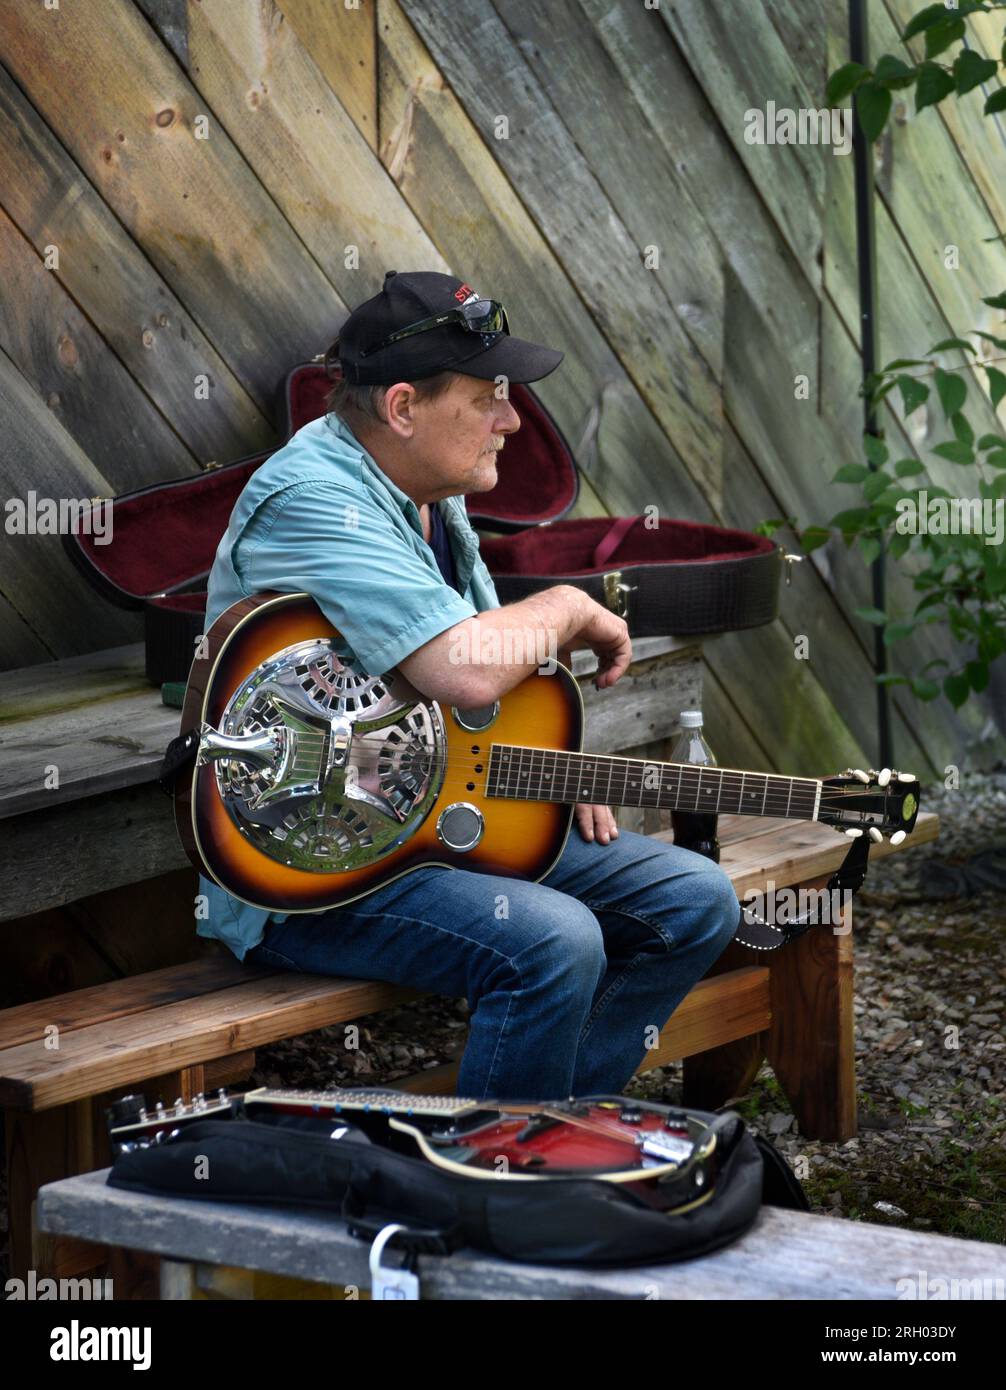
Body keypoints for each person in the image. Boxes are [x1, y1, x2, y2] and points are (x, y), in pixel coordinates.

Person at [197, 270, 740, 1101]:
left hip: (439, 822)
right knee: (555, 938)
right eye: (489, 398)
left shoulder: (427, 495)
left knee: (695, 898)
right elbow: (467, 666)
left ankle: (559, 1123)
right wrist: (568, 603)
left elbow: (492, 689)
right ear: (403, 407)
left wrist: (559, 764)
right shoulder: (316, 499)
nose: (512, 421)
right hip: (308, 870)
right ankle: (497, 1166)